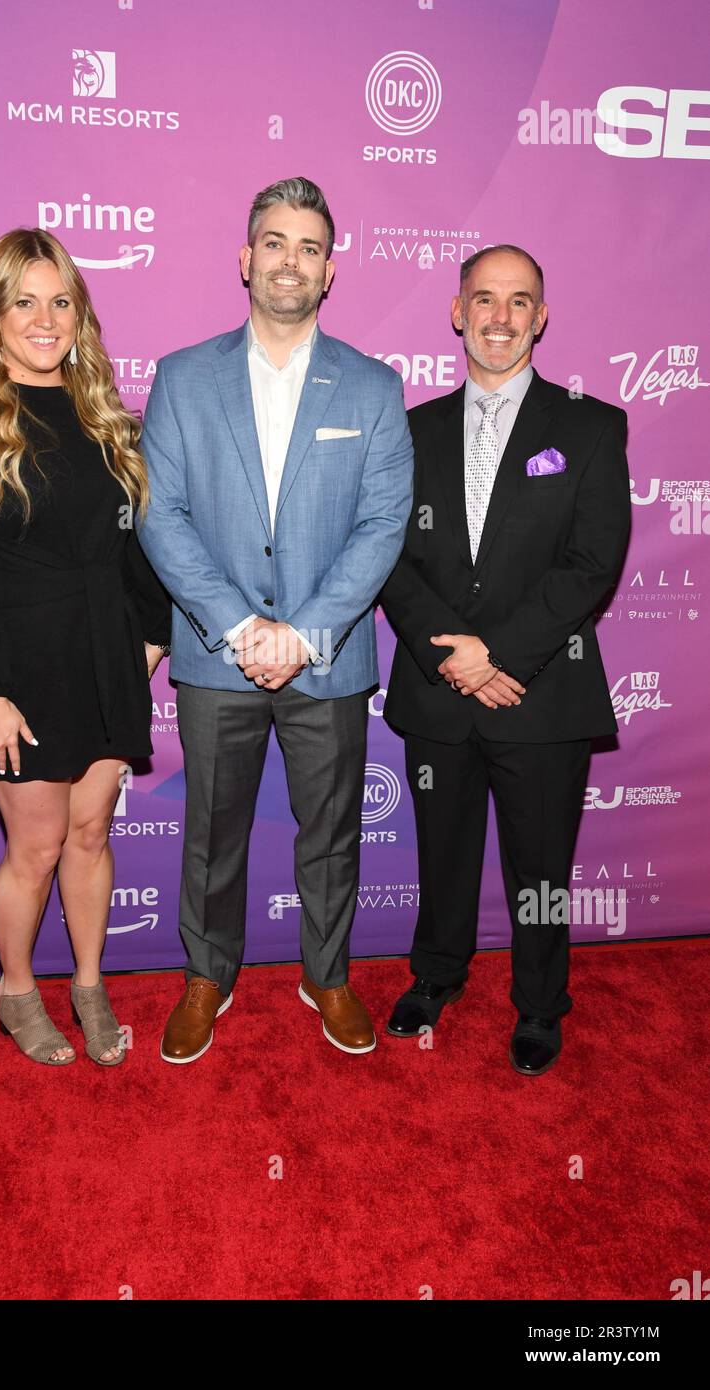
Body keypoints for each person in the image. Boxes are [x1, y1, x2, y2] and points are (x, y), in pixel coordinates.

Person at [137, 177, 414, 1063]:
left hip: (326, 660)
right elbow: (160, 515)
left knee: (331, 832)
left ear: (329, 271)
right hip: (216, 658)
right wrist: (235, 625)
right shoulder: (182, 378)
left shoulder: (373, 387)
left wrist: (301, 633)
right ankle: (207, 976)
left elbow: (382, 525)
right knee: (212, 830)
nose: (289, 260)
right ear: (244, 257)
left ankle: (326, 974)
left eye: (308, 247)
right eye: (274, 242)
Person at [0, 228, 171, 1067]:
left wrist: (154, 635)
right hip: (15, 668)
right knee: (37, 844)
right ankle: (16, 989)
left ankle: (89, 983)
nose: (45, 319)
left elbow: (142, 544)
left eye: (61, 301)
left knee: (90, 835)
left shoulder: (106, 417)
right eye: (25, 300)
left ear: (79, 316)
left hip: (107, 653)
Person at [379, 244, 631, 1075]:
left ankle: (539, 1004)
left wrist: (499, 654)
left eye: (519, 301)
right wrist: (454, 657)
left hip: (542, 688)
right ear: (457, 312)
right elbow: (389, 555)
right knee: (441, 851)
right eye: (484, 299)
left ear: (541, 317)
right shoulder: (407, 431)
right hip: (440, 685)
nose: (500, 317)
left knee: (542, 867)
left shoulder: (592, 428)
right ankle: (437, 977)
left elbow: (593, 562)